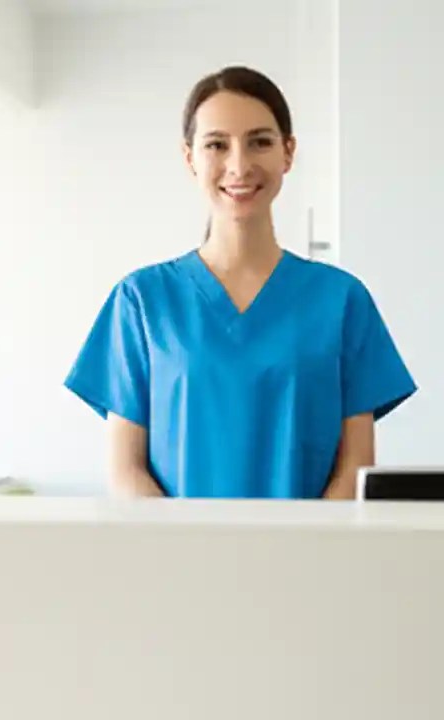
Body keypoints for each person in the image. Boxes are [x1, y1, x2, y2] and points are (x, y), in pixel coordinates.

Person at [63, 66, 416, 500]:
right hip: (180, 557)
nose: (239, 165)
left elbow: (355, 468)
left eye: (260, 142)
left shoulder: (342, 301)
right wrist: (190, 552)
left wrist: (305, 553)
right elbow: (126, 471)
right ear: (190, 157)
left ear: (288, 152)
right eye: (216, 145)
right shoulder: (142, 301)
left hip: (305, 558)